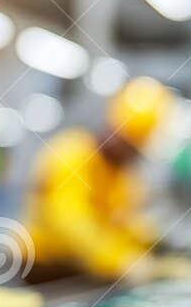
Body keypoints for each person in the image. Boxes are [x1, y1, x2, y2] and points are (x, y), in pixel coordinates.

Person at [21, 76, 173, 282]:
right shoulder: (72, 153)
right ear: (112, 130)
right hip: (42, 267)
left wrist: (147, 242)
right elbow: (73, 224)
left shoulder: (121, 174)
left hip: (82, 269)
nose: (129, 156)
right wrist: (118, 260)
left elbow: (118, 223)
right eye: (127, 144)